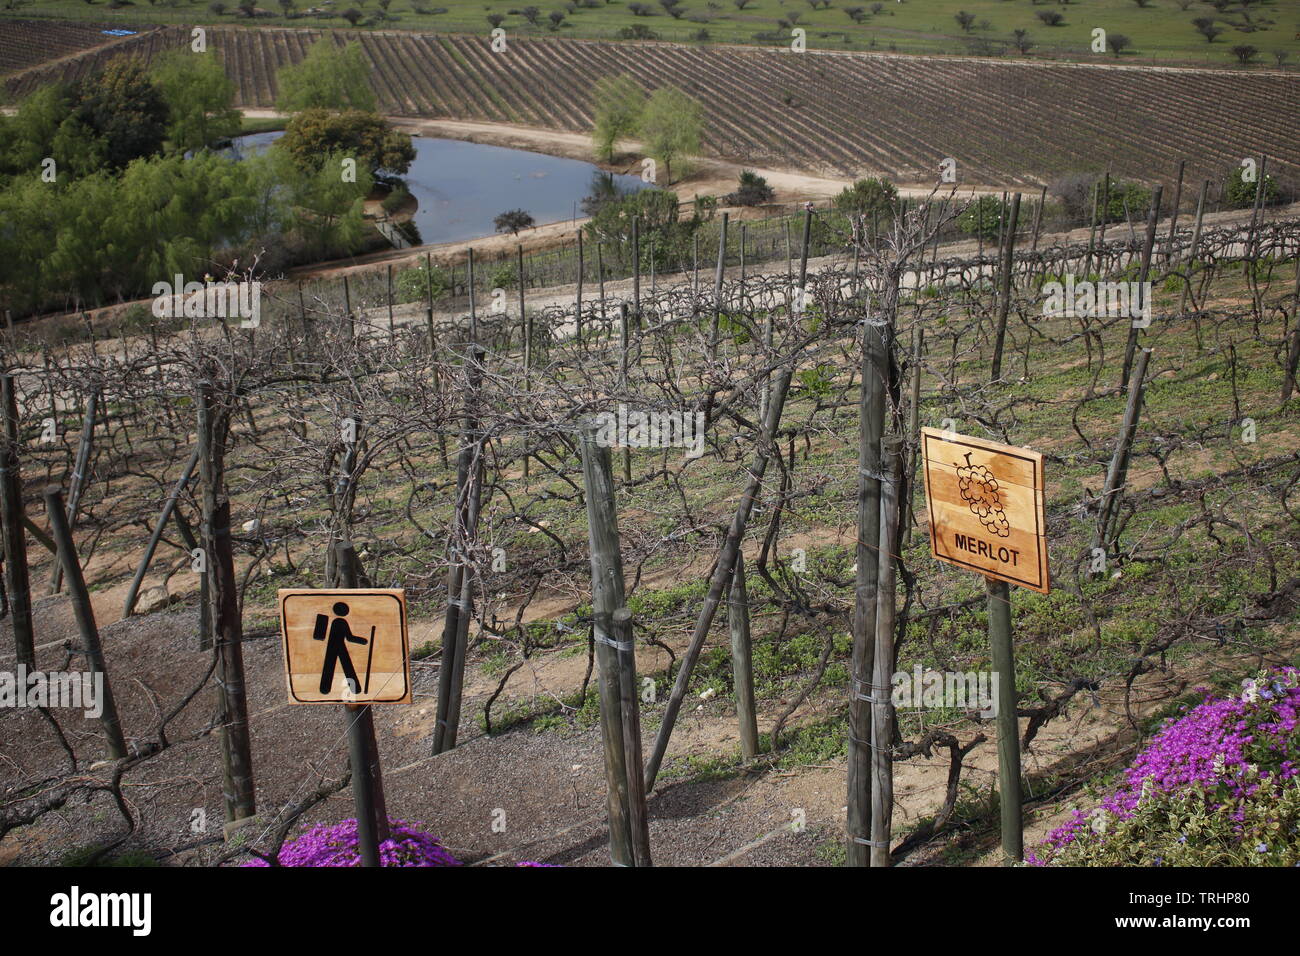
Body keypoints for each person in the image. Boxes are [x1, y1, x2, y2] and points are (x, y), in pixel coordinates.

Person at [312, 601, 369, 695]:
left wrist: (363, 641)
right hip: (339, 648)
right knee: (347, 668)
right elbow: (350, 637)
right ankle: (355, 689)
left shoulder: (334, 621)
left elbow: (319, 635)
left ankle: (325, 689)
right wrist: (363, 641)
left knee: (330, 667)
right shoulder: (340, 622)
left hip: (334, 647)